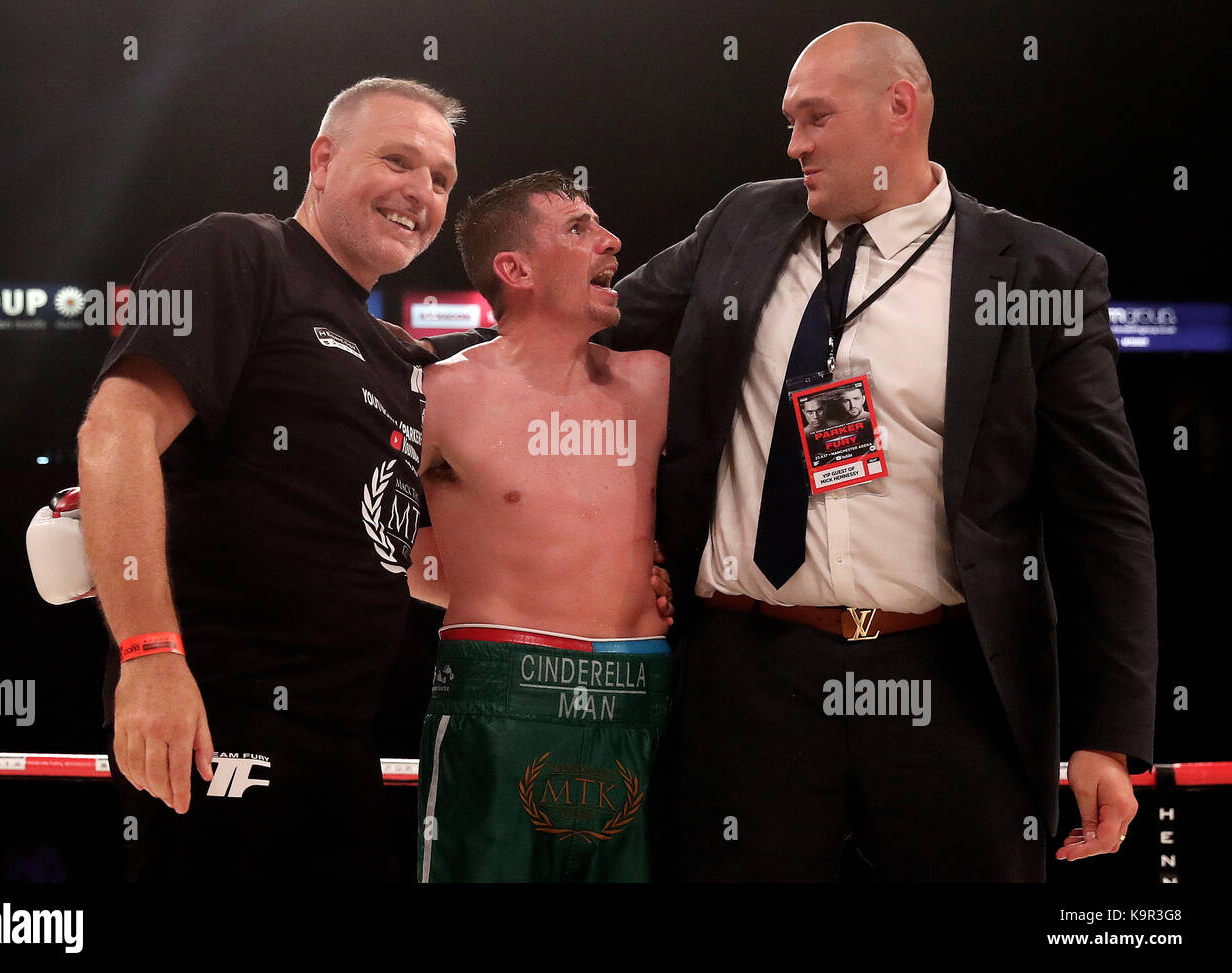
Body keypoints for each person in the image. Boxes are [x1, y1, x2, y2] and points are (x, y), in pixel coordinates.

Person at [432, 22, 1158, 881]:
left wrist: (1109, 734)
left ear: (900, 107)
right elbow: (580, 333)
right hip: (746, 677)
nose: (794, 143)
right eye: (789, 121)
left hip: (950, 686)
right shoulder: (744, 222)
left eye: (815, 118)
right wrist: (428, 379)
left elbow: (1104, 513)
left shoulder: (1041, 271)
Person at [77, 78, 463, 881]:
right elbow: (118, 433)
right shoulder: (240, 251)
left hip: (341, 739)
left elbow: (392, 553)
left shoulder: (397, 357)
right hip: (221, 717)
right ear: (322, 159)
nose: (420, 192)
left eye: (440, 179)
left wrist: (594, 594)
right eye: (398, 159)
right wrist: (149, 655)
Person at [410, 172, 673, 882]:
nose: (612, 241)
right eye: (579, 227)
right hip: (498, 698)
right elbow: (373, 536)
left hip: (641, 696)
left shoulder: (654, 381)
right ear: (515, 269)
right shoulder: (439, 395)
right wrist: (499, 583)